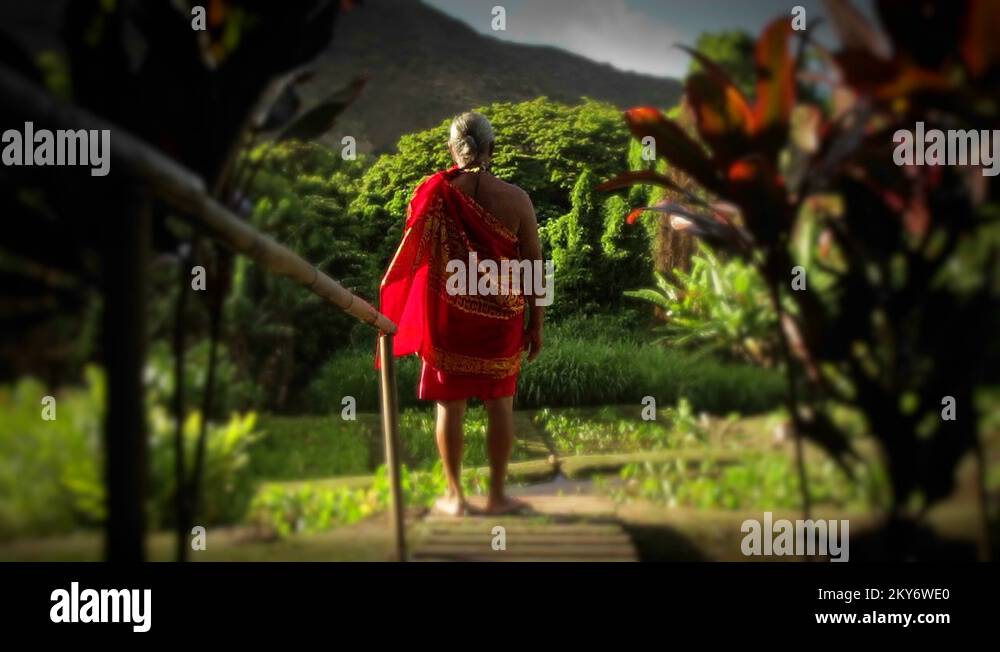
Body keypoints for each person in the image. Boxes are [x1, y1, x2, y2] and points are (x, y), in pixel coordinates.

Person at [379, 111, 545, 516]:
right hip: (501, 319)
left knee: (449, 406)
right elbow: (535, 266)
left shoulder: (434, 194)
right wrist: (536, 324)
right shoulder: (517, 199)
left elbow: (416, 256)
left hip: (448, 317)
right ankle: (496, 496)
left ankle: (455, 497)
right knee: (500, 405)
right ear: (493, 149)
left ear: (453, 149)